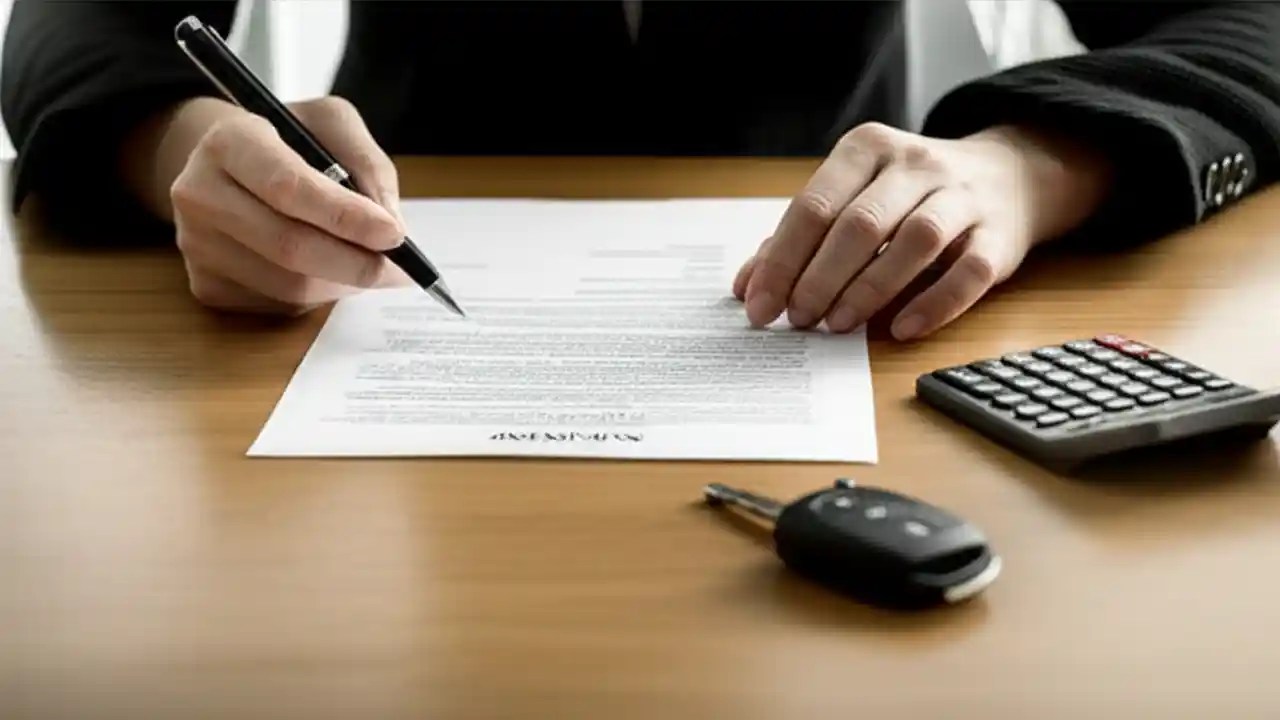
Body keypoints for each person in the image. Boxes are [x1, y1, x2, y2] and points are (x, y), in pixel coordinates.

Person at [4, 2, 1279, 340]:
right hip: (344, 305)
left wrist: (1029, 162)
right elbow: (67, 20)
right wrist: (179, 142)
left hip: (852, 330)